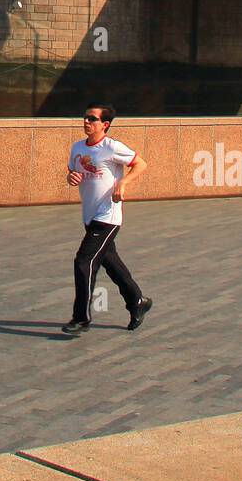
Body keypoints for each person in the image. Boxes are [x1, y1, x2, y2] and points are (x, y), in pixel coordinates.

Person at [62, 105, 152, 335]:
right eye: (85, 117)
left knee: (84, 261)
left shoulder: (112, 147)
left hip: (107, 216)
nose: (86, 121)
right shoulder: (78, 147)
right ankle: (138, 301)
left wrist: (123, 183)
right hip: (89, 216)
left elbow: (140, 164)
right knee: (111, 264)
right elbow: (72, 171)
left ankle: (81, 317)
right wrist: (71, 177)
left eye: (92, 118)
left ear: (105, 125)